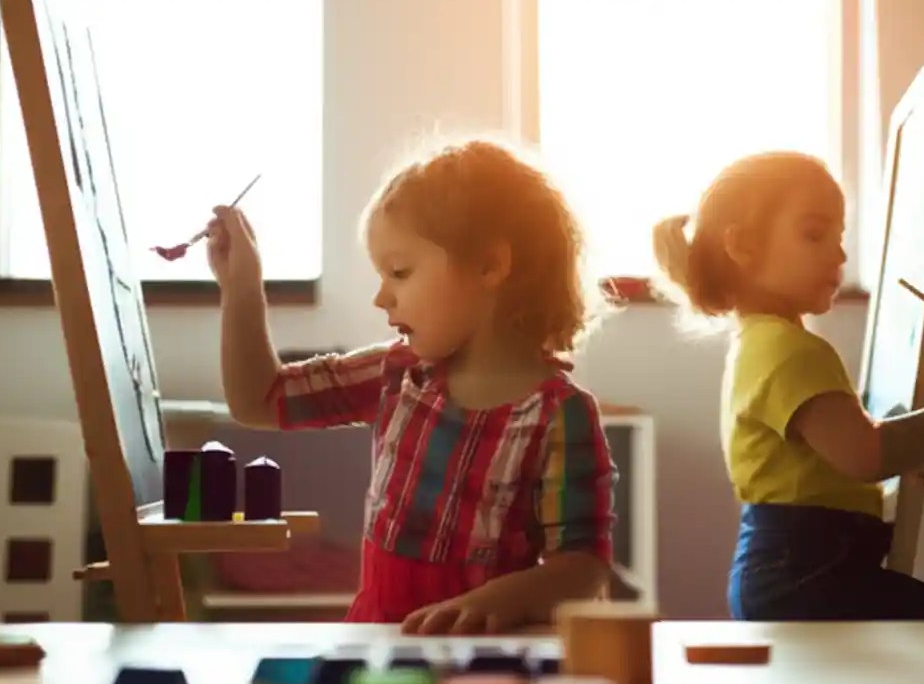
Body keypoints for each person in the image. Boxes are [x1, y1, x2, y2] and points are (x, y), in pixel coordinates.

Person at [207, 138, 617, 634]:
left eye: (399, 272)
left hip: (478, 653)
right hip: (378, 644)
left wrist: (502, 598)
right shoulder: (396, 373)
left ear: (489, 265)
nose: (381, 297)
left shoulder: (560, 414)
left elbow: (583, 566)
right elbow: (259, 400)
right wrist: (241, 286)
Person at [651, 151, 924, 621]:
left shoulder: (763, 342)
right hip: (802, 576)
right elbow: (868, 456)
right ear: (742, 246)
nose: (839, 254)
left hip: (796, 571)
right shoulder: (787, 350)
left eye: (839, 237)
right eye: (814, 234)